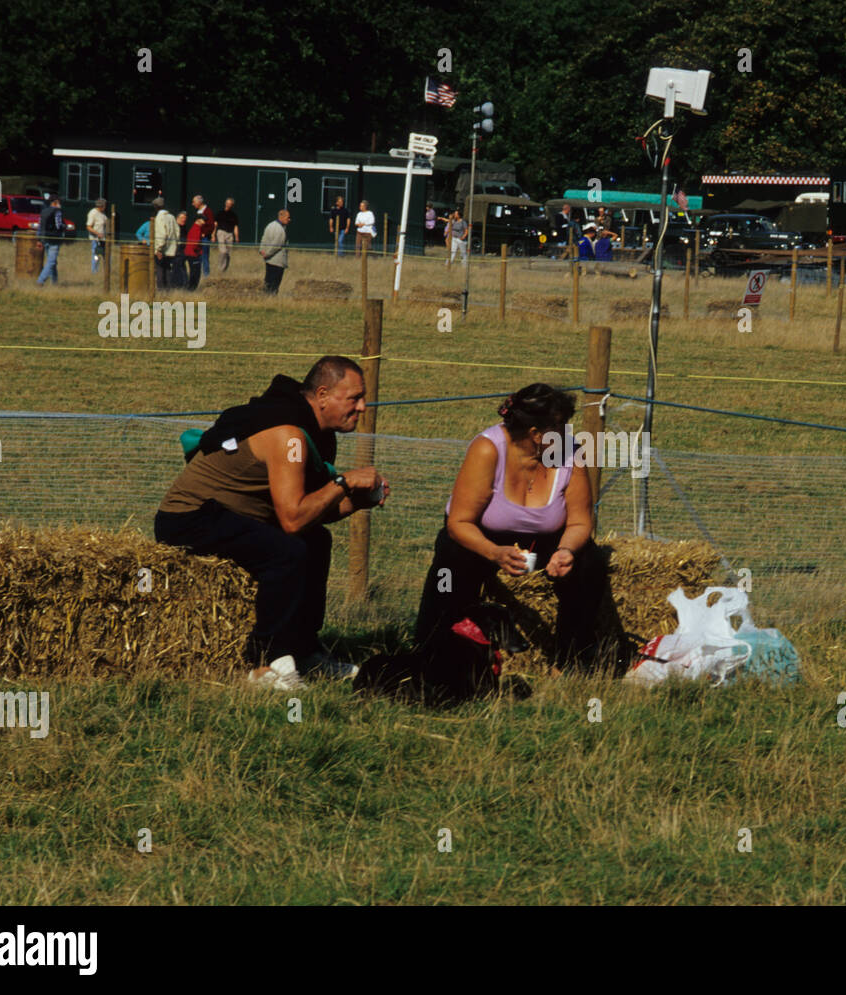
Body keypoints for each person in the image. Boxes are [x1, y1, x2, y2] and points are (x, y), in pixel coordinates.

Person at [155, 357, 390, 689]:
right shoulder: (289, 435)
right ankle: (265, 663)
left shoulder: (315, 433)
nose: (363, 407)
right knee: (287, 550)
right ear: (323, 395)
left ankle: (304, 651)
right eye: (354, 398)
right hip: (188, 518)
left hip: (231, 515)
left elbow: (310, 510)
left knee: (317, 541)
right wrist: (344, 482)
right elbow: (293, 520)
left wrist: (357, 501)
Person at [413, 384, 608, 672]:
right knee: (450, 564)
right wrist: (494, 552)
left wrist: (566, 550)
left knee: (589, 561)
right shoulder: (488, 448)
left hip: (543, 542)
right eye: (560, 427)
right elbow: (458, 522)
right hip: (482, 539)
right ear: (536, 434)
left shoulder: (571, 454)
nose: (567, 433)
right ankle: (434, 649)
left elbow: (580, 522)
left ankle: (572, 660)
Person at [151, 197, 180, 290]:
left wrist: (159, 249)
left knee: (160, 272)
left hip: (162, 250)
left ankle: (161, 293)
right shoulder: (171, 217)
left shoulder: (159, 218)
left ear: (156, 207)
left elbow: (161, 235)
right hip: (171, 250)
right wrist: (175, 245)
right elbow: (177, 232)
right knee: (168, 271)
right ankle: (168, 292)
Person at [37, 194, 66, 285]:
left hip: (45, 239)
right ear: (55, 202)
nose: (60, 204)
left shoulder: (43, 211)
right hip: (54, 239)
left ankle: (54, 282)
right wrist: (64, 226)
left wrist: (39, 240)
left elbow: (40, 227)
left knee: (52, 261)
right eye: (59, 202)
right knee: (51, 261)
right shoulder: (57, 212)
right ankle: (40, 281)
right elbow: (58, 225)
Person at [260, 208, 290, 294]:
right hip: (278, 262)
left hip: (269, 261)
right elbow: (276, 246)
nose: (289, 219)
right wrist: (267, 254)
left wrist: (262, 250)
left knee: (267, 282)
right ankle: (272, 298)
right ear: (281, 217)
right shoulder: (281, 230)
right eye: (288, 217)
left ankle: (265, 297)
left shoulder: (270, 225)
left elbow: (263, 239)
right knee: (274, 285)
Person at [191, 194, 215, 275]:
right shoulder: (198, 212)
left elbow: (211, 225)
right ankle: (198, 274)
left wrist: (205, 233)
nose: (193, 204)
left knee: (204, 256)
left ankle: (206, 274)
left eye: (194, 202)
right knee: (197, 256)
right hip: (197, 238)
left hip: (204, 238)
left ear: (199, 202)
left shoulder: (207, 211)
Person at [213, 197, 239, 273]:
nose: (228, 205)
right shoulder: (220, 213)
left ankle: (224, 270)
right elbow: (215, 224)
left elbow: (235, 227)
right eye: (227, 203)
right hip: (221, 232)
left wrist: (236, 237)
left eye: (230, 204)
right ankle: (220, 268)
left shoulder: (234, 215)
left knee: (228, 254)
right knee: (223, 251)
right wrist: (213, 235)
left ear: (232, 205)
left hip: (229, 234)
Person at [85, 198, 109, 273]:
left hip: (103, 239)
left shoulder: (103, 213)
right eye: (105, 205)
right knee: (96, 256)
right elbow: (88, 227)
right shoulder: (93, 213)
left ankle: (106, 272)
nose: (106, 207)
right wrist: (97, 234)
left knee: (107, 255)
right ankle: (94, 271)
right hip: (95, 239)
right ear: (101, 206)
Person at [183, 211, 205, 290]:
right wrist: (198, 251)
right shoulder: (196, 229)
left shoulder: (196, 228)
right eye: (203, 219)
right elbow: (195, 243)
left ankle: (191, 289)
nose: (204, 221)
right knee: (195, 273)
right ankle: (191, 289)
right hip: (193, 254)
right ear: (198, 220)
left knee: (194, 273)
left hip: (191, 254)